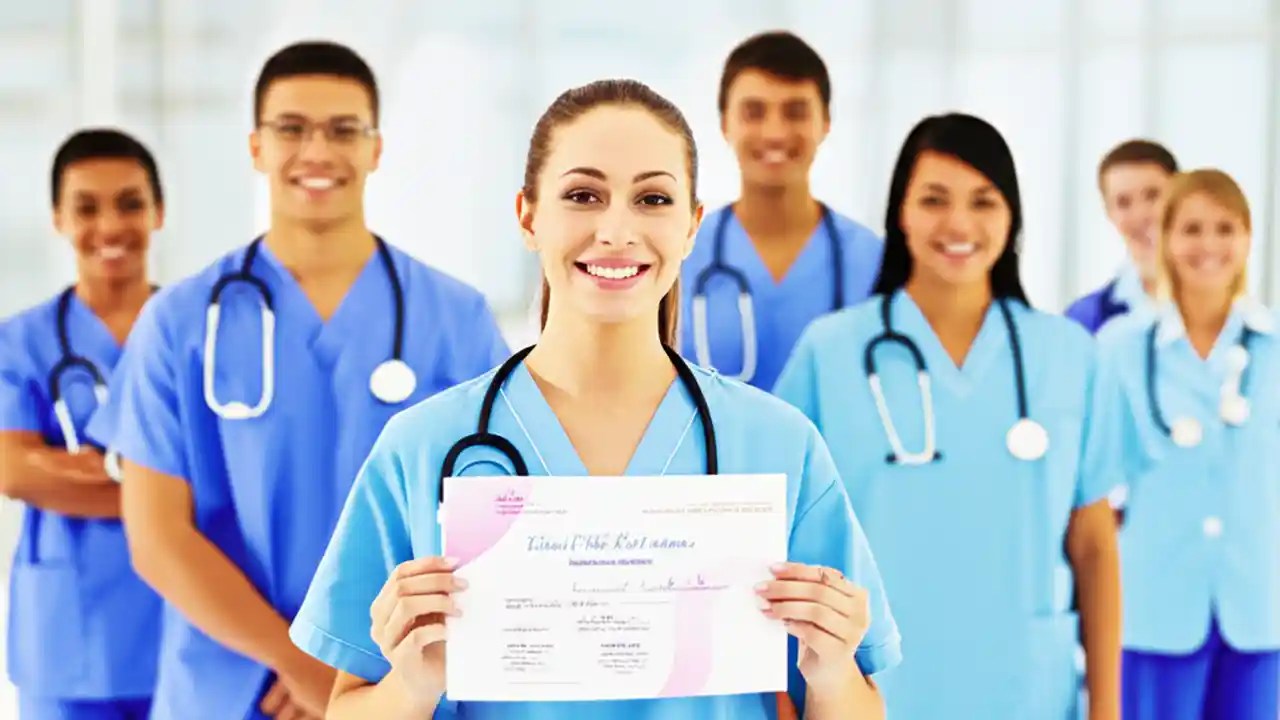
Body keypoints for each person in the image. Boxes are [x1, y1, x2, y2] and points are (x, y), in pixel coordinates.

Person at [288, 78, 903, 720]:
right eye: (583, 195)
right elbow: (348, 706)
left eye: (653, 198)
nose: (616, 230)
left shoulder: (779, 443)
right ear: (528, 215)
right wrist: (412, 685)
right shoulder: (421, 449)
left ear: (692, 225)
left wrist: (832, 671)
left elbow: (855, 706)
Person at [83, 41, 510, 720]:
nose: (318, 151)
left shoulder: (455, 319)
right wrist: (293, 656)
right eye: (291, 129)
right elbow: (156, 535)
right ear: (256, 147)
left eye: (344, 130)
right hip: (227, 686)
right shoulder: (180, 321)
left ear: (376, 149)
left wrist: (352, 670)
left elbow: (494, 516)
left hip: (401, 680)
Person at [773, 113, 1121, 719]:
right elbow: (779, 540)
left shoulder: (1069, 356)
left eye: (983, 201)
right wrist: (779, 693)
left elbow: (1094, 546)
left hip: (1027, 688)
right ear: (900, 213)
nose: (959, 223)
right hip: (871, 691)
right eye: (933, 199)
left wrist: (1108, 707)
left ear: (1011, 216)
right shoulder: (829, 352)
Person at [1092, 169, 1279, 720]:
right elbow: (1100, 484)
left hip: (1260, 606)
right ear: (1166, 237)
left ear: (1248, 238)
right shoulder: (1121, 349)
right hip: (1154, 605)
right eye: (1192, 229)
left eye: (1226, 228)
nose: (1209, 245)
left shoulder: (1274, 349)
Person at [0, 129, 165, 718]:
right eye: (86, 207)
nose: (110, 226)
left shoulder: (194, 335)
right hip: (67, 638)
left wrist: (82, 472)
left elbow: (233, 476)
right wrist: (163, 486)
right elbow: (14, 472)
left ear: (158, 212)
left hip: (182, 627)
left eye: (129, 203)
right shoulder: (20, 342)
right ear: (57, 219)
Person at [679, 31, 883, 391]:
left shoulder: (873, 260)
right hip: (711, 448)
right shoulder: (680, 255)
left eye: (795, 112)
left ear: (826, 123)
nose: (774, 132)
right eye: (754, 112)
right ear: (725, 123)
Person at [1066, 139, 1179, 333]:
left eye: (1153, 196)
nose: (1141, 215)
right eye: (1123, 203)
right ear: (1109, 213)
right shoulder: (1084, 320)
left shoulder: (1234, 310)